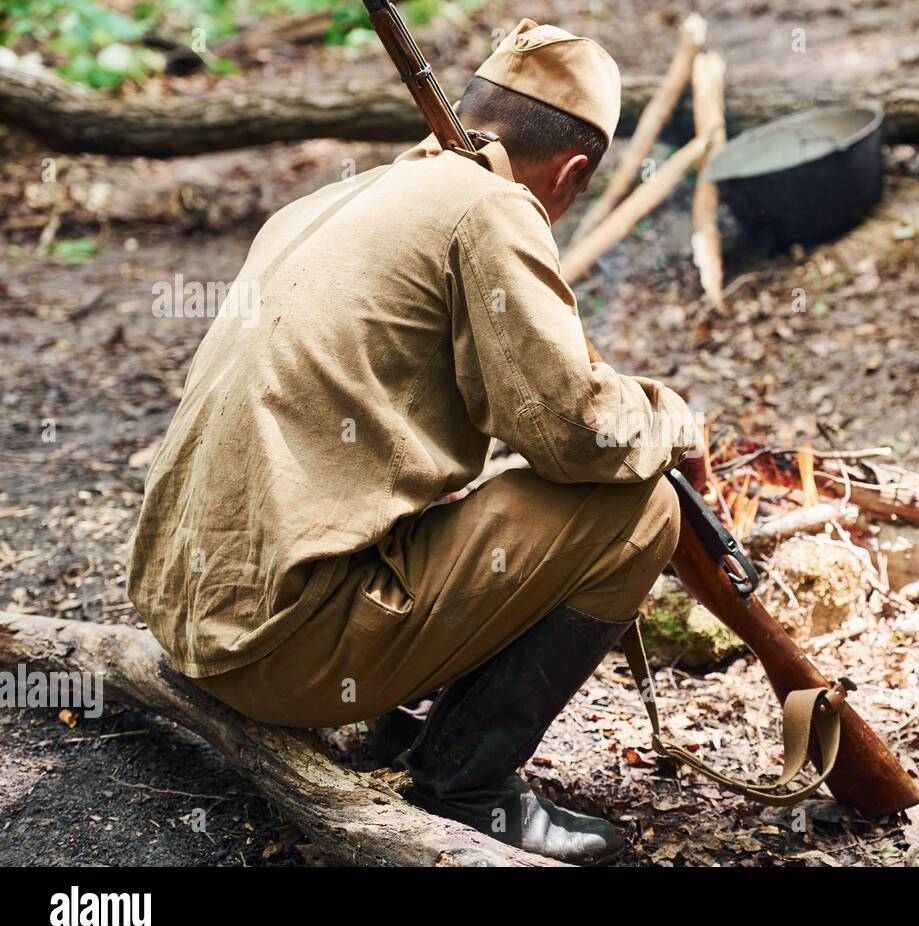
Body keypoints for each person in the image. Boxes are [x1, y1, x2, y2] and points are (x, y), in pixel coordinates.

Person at [127, 19, 703, 865]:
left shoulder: (327, 203)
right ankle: (469, 787)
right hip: (277, 653)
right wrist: (675, 420)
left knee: (462, 485)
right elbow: (576, 433)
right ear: (575, 172)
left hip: (191, 619)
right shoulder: (492, 208)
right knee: (642, 509)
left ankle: (390, 719)